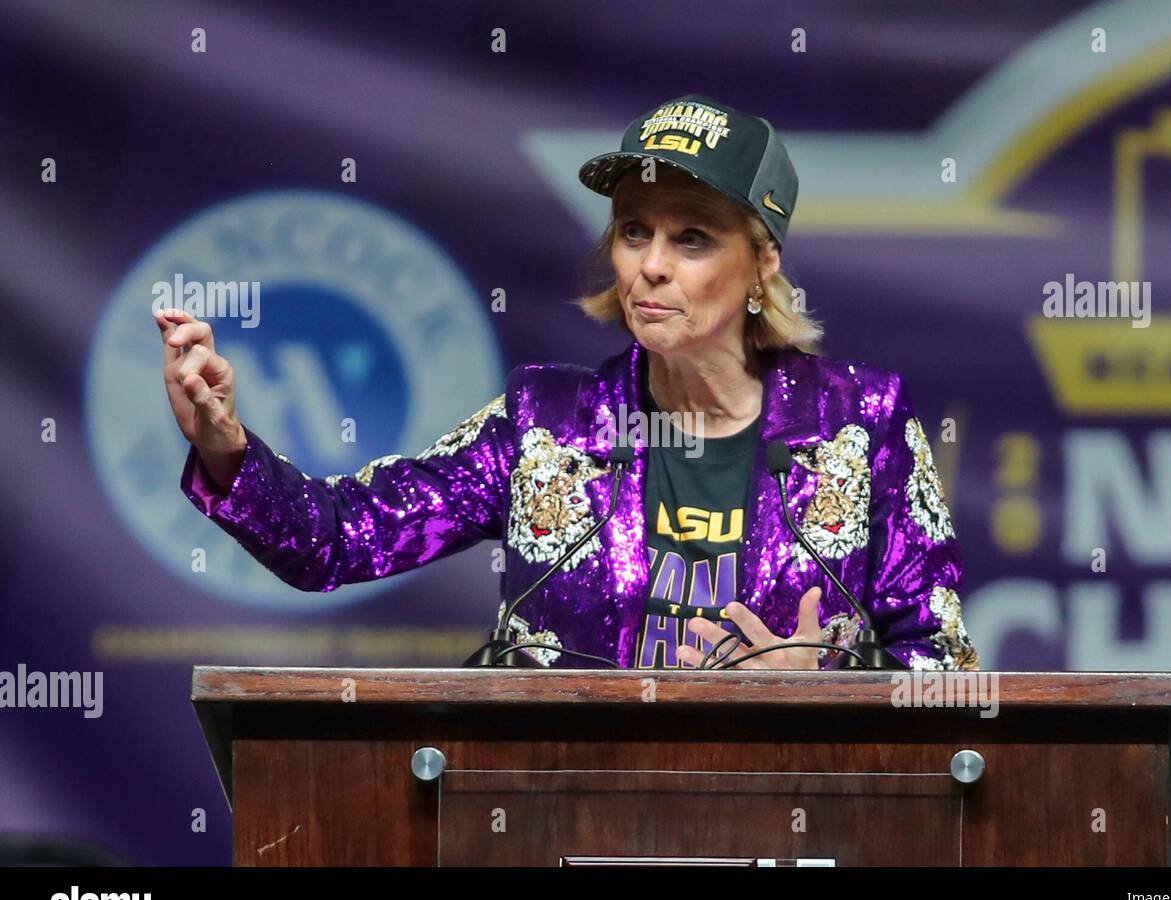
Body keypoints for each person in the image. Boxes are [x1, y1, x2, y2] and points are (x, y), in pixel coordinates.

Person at [157, 92, 979, 672]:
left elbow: (942, 668)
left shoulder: (859, 423)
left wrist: (828, 682)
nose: (651, 266)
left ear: (762, 261)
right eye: (633, 231)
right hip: (560, 819)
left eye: (692, 238)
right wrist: (226, 446)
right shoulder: (547, 421)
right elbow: (336, 540)